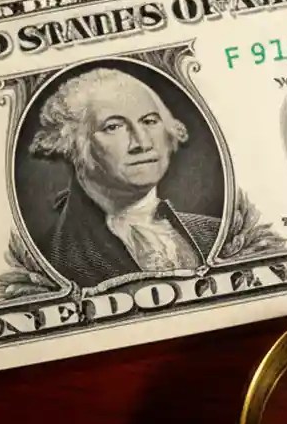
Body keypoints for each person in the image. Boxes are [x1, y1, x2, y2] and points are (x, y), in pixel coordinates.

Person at [28, 67, 220, 288]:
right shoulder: (47, 262)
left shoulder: (214, 232)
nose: (142, 143)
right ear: (71, 144)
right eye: (114, 126)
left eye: (149, 121)